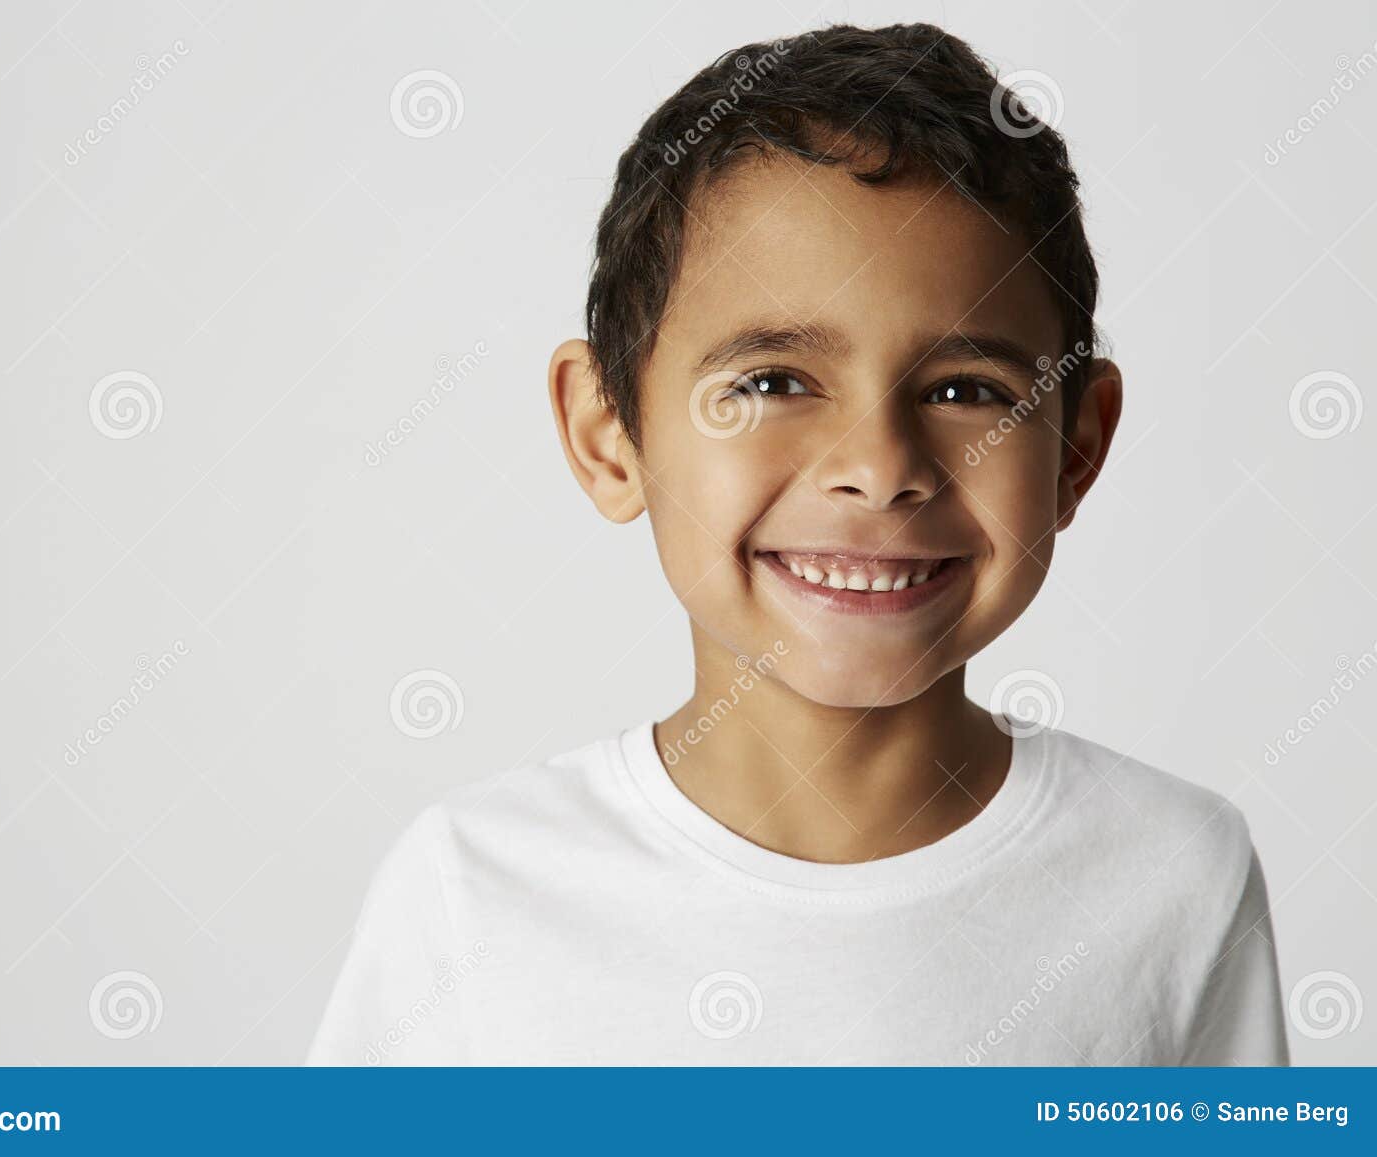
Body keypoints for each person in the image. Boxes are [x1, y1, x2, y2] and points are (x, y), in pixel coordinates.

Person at [308, 21, 1288, 1065]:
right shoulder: (470, 891)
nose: (877, 464)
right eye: (770, 381)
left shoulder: (1175, 872)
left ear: (1074, 447)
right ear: (607, 434)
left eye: (965, 391)